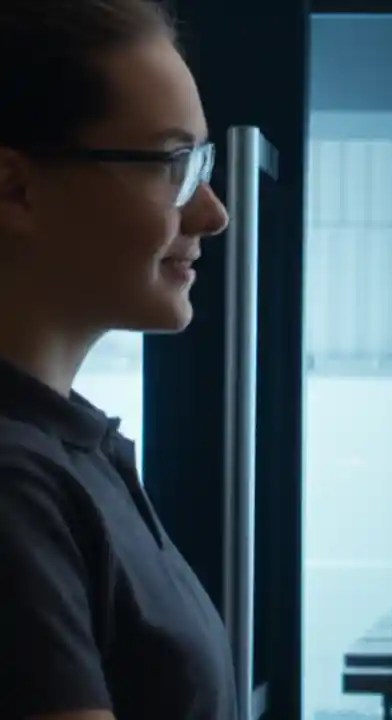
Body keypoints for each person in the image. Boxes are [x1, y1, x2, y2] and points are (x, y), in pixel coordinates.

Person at [0, 1, 236, 718]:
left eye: (201, 163)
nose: (213, 213)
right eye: (172, 165)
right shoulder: (15, 486)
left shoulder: (70, 451)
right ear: (15, 189)